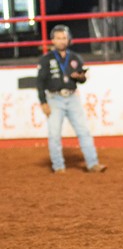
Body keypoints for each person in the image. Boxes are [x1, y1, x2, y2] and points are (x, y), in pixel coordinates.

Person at [36, 25, 107, 173]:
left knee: (83, 131)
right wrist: (43, 102)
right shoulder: (46, 59)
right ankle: (58, 166)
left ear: (68, 39)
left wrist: (80, 77)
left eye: (64, 38)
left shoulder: (75, 58)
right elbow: (40, 82)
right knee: (54, 134)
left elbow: (82, 80)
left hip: (72, 97)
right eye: (58, 38)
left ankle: (92, 163)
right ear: (53, 40)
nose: (61, 41)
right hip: (54, 98)